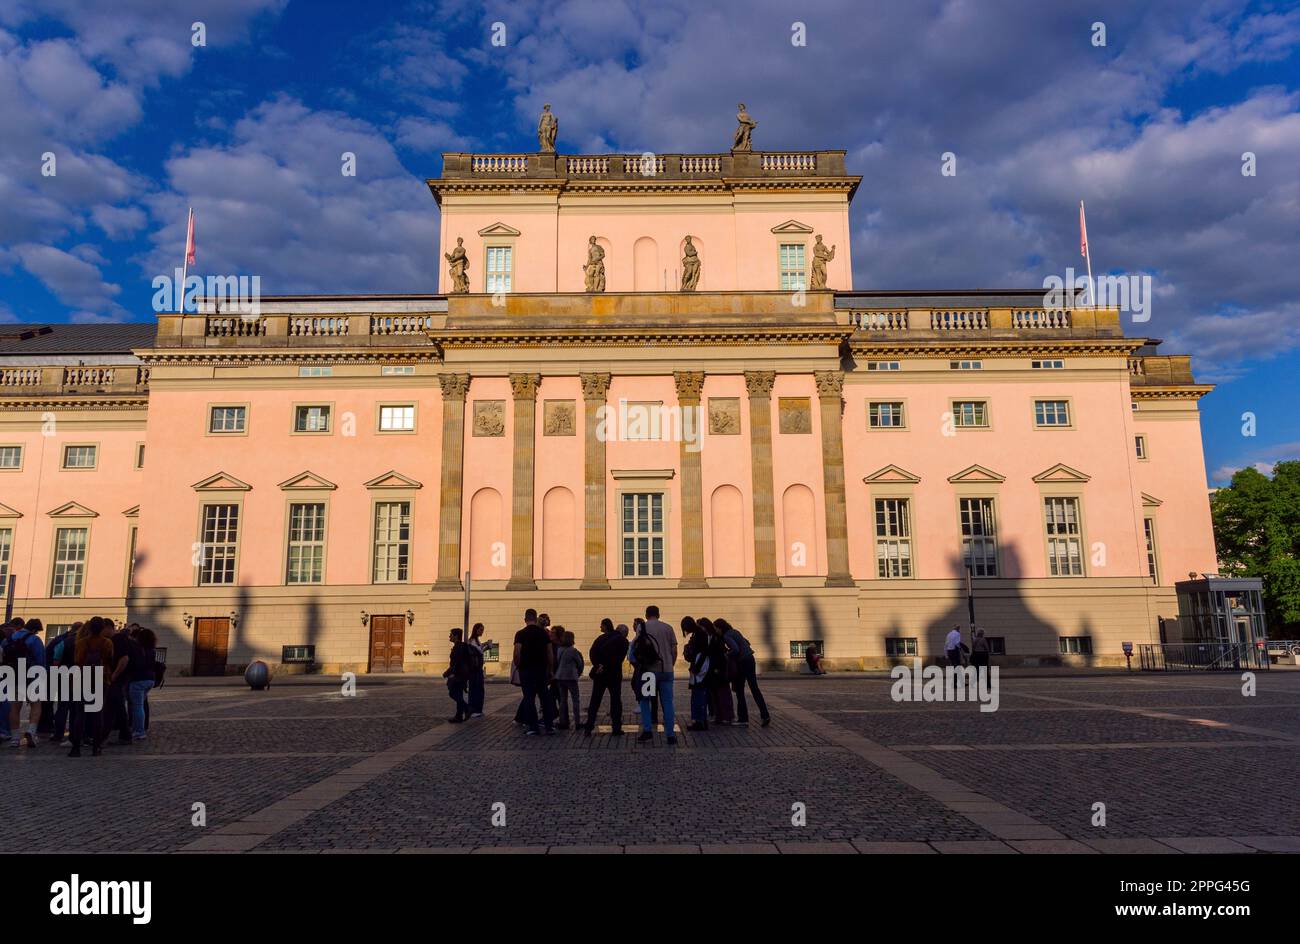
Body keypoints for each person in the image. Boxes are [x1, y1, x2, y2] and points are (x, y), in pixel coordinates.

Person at [69, 617, 115, 757]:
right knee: (97, 714)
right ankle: (96, 747)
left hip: (83, 678)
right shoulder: (107, 643)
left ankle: (76, 748)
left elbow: (77, 660)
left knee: (79, 714)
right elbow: (110, 659)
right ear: (102, 628)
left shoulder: (81, 643)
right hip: (101, 678)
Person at [635, 605, 678, 744]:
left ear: (646, 614)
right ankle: (670, 735)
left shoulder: (642, 627)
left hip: (649, 671)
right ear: (658, 614)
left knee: (645, 700)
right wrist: (670, 663)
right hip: (666, 670)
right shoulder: (668, 628)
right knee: (667, 702)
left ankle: (648, 730)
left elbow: (637, 647)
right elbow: (674, 649)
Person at [513, 608, 556, 735]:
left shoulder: (520, 633)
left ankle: (533, 727)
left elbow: (517, 652)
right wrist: (550, 670)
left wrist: (518, 665)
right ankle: (549, 726)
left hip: (526, 670)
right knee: (545, 698)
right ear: (536, 618)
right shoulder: (543, 633)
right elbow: (550, 653)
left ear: (525, 619)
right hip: (542, 670)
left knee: (529, 699)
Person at [719, 618, 770, 727]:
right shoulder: (735, 631)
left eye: (716, 628)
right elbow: (747, 642)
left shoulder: (726, 636)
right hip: (750, 659)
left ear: (720, 628)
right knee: (754, 688)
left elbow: (736, 649)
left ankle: (743, 718)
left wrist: (727, 654)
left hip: (742, 662)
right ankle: (765, 715)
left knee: (739, 690)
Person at [4, 617, 45, 748]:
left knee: (15, 707)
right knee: (36, 704)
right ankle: (31, 732)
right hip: (32, 676)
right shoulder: (34, 639)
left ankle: (15, 738)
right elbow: (40, 660)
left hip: (14, 675)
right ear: (34, 630)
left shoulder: (8, 639)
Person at [584, 618, 627, 736]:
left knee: (595, 700)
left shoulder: (600, 638)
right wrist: (607, 666)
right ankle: (616, 728)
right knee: (615, 701)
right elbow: (619, 659)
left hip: (600, 674)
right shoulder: (623, 641)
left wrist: (598, 665)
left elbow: (592, 652)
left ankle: (589, 727)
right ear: (624, 633)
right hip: (614, 674)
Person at [46, 621, 81, 744]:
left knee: (62, 707)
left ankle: (58, 734)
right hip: (80, 678)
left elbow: (56, 661)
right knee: (76, 709)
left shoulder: (64, 642)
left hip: (64, 676)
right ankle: (74, 734)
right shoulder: (85, 643)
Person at [701, 618, 733, 725]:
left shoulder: (717, 638)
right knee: (715, 694)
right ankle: (719, 716)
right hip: (713, 669)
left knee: (723, 693)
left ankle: (727, 716)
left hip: (719, 669)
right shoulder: (710, 637)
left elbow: (719, 654)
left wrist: (717, 668)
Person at [127, 628, 157, 741]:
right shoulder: (152, 650)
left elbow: (135, 664)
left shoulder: (138, 649)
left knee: (137, 707)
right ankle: (138, 729)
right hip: (150, 679)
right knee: (140, 706)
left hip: (138, 679)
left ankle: (139, 731)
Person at [683, 616, 710, 732]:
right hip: (700, 666)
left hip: (700, 667)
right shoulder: (699, 633)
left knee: (698, 696)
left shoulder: (699, 634)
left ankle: (699, 721)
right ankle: (700, 720)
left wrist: (696, 667)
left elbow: (703, 652)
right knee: (698, 695)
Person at [553, 629, 584, 730]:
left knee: (563, 700)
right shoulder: (573, 651)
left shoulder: (559, 650)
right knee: (575, 700)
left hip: (560, 677)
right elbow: (580, 664)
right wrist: (578, 673)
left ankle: (563, 721)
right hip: (571, 677)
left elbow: (558, 661)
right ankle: (577, 722)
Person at [442, 628, 473, 723]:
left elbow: (456, 663)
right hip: (463, 674)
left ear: (456, 636)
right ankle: (458, 716)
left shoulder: (458, 647)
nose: (449, 637)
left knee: (453, 693)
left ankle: (467, 708)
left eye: (451, 635)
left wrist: (449, 673)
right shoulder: (462, 646)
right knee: (459, 694)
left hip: (458, 675)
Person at [466, 623, 490, 718]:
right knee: (475, 689)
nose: (482, 631)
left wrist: (485, 646)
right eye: (480, 630)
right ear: (475, 630)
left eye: (482, 630)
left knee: (479, 689)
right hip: (474, 669)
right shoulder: (472, 641)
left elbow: (479, 650)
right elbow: (477, 651)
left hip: (478, 669)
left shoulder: (477, 641)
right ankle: (473, 709)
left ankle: (478, 709)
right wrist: (486, 646)